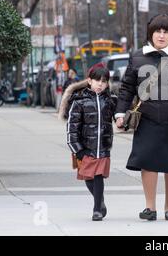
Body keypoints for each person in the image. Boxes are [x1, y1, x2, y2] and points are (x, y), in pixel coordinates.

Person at [115, 14, 168, 221]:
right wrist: (120, 112)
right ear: (150, 34)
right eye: (157, 31)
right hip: (148, 119)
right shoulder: (137, 57)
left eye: (166, 32)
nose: (161, 36)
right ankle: (149, 207)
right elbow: (127, 87)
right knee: (148, 162)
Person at [59, 63, 116, 221]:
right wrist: (77, 149)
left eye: (104, 81)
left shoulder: (110, 101)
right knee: (88, 178)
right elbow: (72, 127)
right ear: (89, 81)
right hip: (85, 148)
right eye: (97, 80)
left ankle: (97, 208)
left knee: (98, 176)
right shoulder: (79, 101)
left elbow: (119, 118)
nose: (100, 84)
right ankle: (101, 201)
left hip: (103, 147)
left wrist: (122, 120)